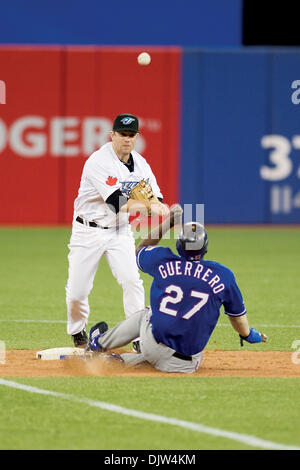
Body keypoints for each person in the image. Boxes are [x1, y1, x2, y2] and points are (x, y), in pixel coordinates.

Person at [87, 205, 268, 374]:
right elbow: (238, 319)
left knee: (147, 314)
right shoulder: (223, 275)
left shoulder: (162, 260)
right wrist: (249, 335)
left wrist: (170, 222)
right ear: (205, 248)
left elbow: (140, 250)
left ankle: (98, 344)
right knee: (169, 352)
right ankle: (118, 361)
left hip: (152, 345)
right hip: (186, 364)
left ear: (179, 246)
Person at [66, 113, 169, 348]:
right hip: (87, 230)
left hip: (119, 230)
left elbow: (156, 195)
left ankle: (138, 337)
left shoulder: (140, 163)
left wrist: (157, 205)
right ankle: (77, 330)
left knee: (132, 280)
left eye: (131, 135)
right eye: (122, 134)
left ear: (137, 137)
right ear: (111, 135)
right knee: (77, 291)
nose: (127, 139)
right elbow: (117, 202)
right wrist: (151, 206)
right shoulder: (98, 161)